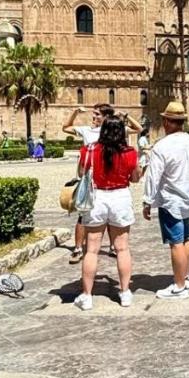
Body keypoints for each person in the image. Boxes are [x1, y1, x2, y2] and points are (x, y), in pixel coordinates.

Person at [73, 117, 140, 311]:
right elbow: (135, 179)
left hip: (97, 198)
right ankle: (125, 293)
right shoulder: (129, 152)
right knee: (122, 248)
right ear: (122, 132)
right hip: (120, 197)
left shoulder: (90, 150)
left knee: (91, 249)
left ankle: (86, 296)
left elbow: (81, 173)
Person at [142, 101, 189, 299]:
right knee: (186, 239)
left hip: (171, 201)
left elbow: (153, 176)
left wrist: (147, 201)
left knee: (176, 243)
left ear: (167, 122)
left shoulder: (163, 146)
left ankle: (178, 287)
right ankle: (185, 277)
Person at [63, 104, 139, 263]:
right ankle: (78, 248)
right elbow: (66, 127)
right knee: (82, 217)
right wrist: (75, 112)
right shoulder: (87, 131)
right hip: (91, 182)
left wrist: (125, 114)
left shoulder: (114, 128)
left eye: (97, 114)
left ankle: (112, 246)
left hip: (106, 182)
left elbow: (138, 128)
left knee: (110, 222)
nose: (94, 117)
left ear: (106, 117)